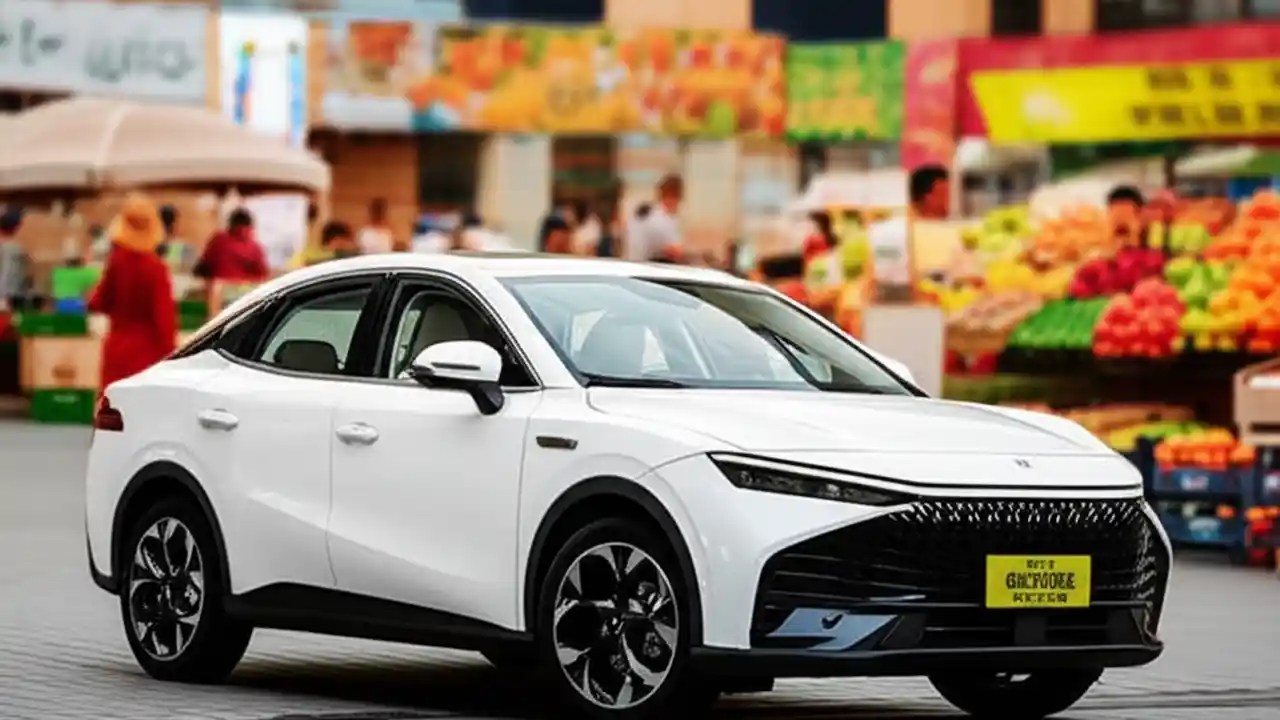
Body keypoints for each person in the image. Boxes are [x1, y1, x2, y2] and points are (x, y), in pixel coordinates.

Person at [88, 193, 177, 390]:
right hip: (148, 354)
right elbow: (164, 320)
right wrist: (173, 356)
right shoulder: (157, 269)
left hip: (117, 350)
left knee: (113, 412)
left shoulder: (116, 262)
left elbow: (98, 302)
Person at [866, 164, 951, 301]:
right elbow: (887, 283)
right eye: (944, 194)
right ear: (928, 197)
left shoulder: (943, 231)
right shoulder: (892, 232)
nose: (949, 201)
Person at [194, 208, 269, 283]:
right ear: (250, 226)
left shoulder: (218, 239)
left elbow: (204, 265)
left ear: (231, 224)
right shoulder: (254, 247)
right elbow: (262, 275)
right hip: (244, 289)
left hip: (218, 287)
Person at [626, 174, 684, 263]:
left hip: (635, 263)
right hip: (652, 267)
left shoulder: (647, 213)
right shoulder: (660, 219)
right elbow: (674, 251)